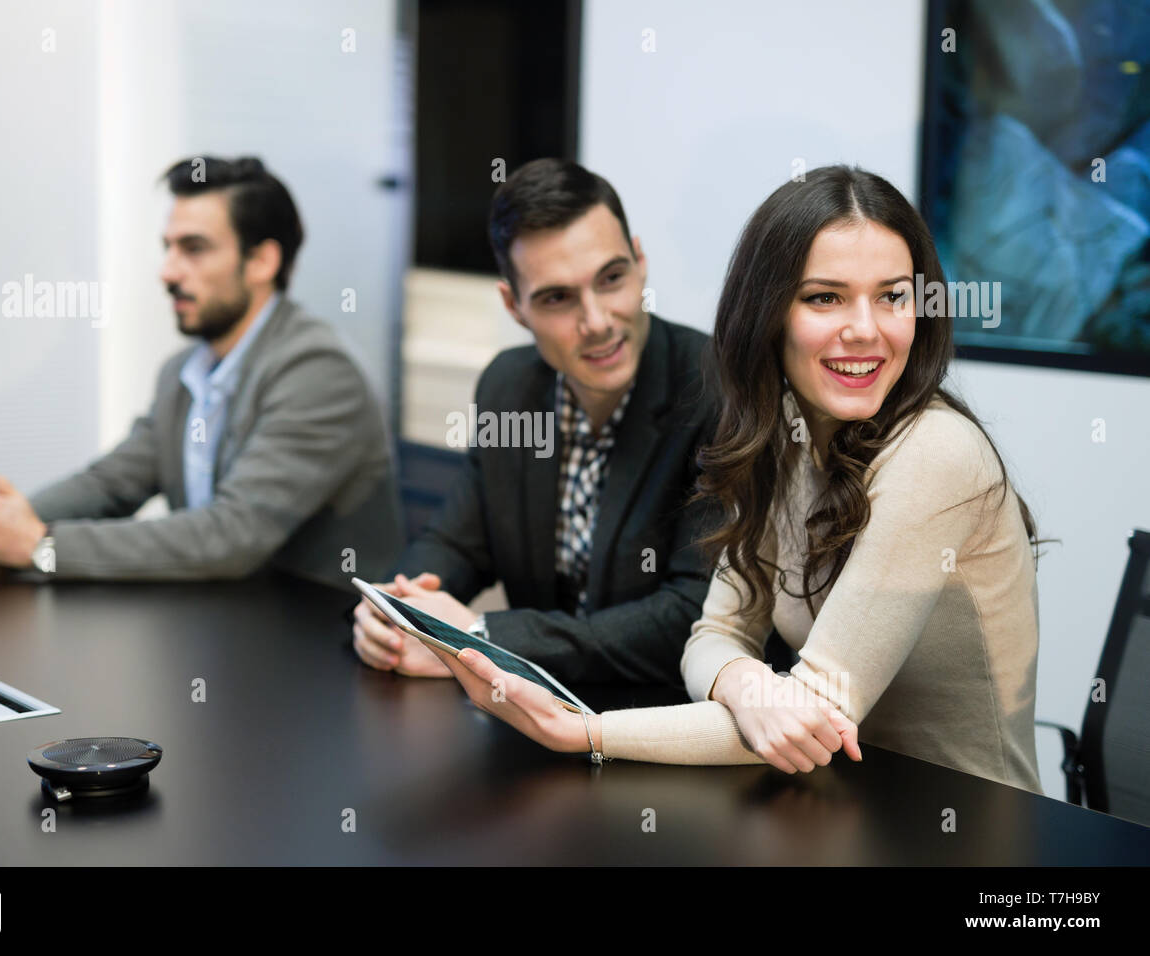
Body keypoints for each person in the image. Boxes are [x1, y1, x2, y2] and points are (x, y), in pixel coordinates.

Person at [424, 165, 1046, 794]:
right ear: (768, 314)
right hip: (838, 806)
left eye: (892, 296)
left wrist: (584, 732)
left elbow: (815, 714)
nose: (865, 328)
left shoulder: (934, 453)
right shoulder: (781, 433)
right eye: (825, 297)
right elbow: (715, 633)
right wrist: (747, 685)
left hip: (965, 830)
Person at [0, 156, 400, 587]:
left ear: (261, 261)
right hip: (222, 625)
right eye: (168, 248)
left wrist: (39, 546)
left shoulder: (317, 372)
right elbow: (111, 484)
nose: (168, 272)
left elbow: (233, 536)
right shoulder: (186, 370)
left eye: (193, 249)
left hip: (316, 647)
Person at [352, 158, 719, 688]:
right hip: (535, 718)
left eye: (612, 279)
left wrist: (480, 636)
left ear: (640, 262)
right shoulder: (510, 388)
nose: (597, 322)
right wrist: (394, 610)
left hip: (666, 724)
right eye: (557, 298)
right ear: (514, 306)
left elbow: (691, 616)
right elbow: (457, 544)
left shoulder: (714, 390)